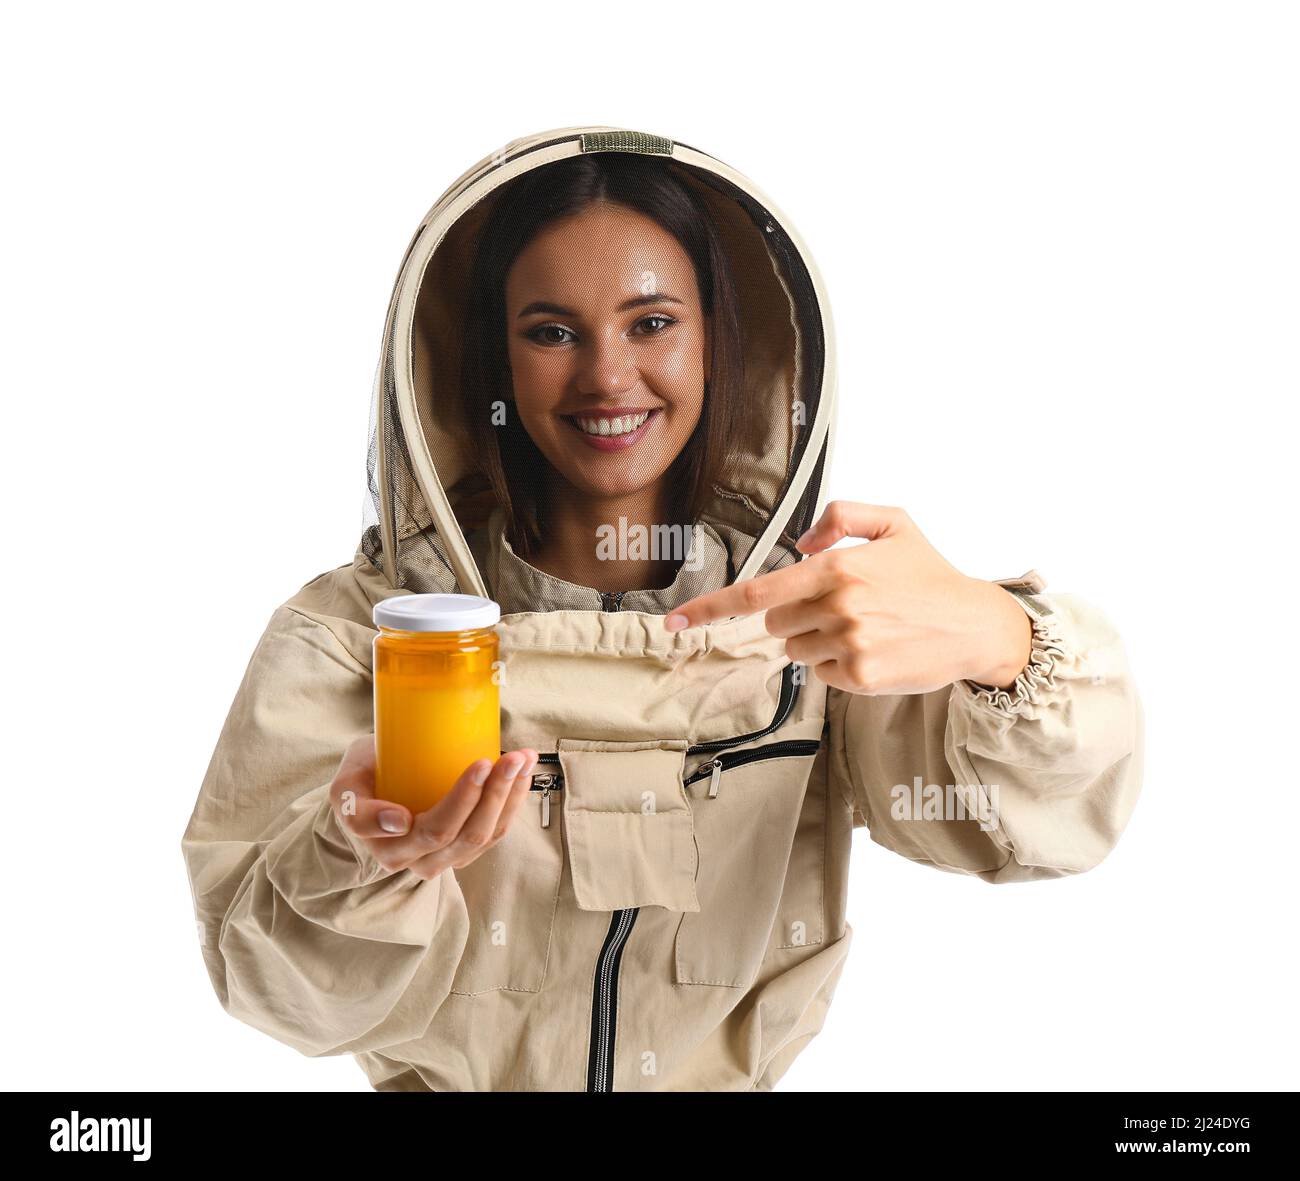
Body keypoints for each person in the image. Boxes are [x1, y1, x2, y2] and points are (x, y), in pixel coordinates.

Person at [181, 127, 1145, 1092]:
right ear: (493, 363)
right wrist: (359, 854)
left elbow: (1037, 828)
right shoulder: (360, 636)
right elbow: (274, 991)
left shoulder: (820, 619)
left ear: (724, 342)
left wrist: (999, 635)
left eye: (652, 323)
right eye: (552, 331)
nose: (606, 376)